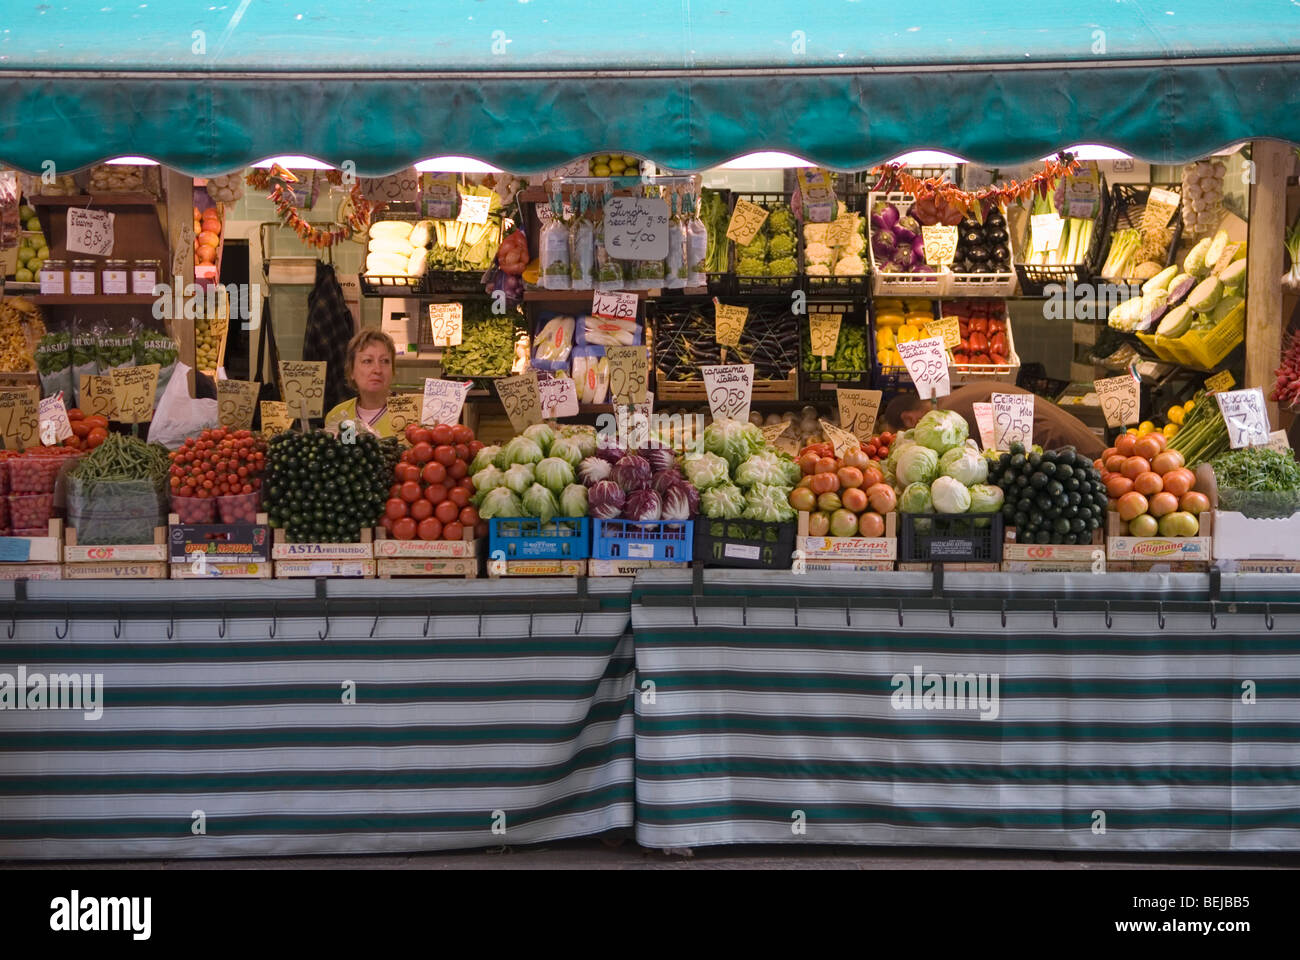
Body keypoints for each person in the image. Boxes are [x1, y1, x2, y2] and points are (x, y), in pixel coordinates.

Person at [883, 383, 1106, 458]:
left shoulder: (948, 419)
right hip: (1075, 441)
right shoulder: (953, 400)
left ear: (909, 419)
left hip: (1073, 452)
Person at [323, 329, 399, 438]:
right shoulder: (339, 416)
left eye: (385, 361)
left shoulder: (410, 413)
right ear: (351, 371)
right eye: (367, 361)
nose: (377, 370)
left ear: (393, 370)